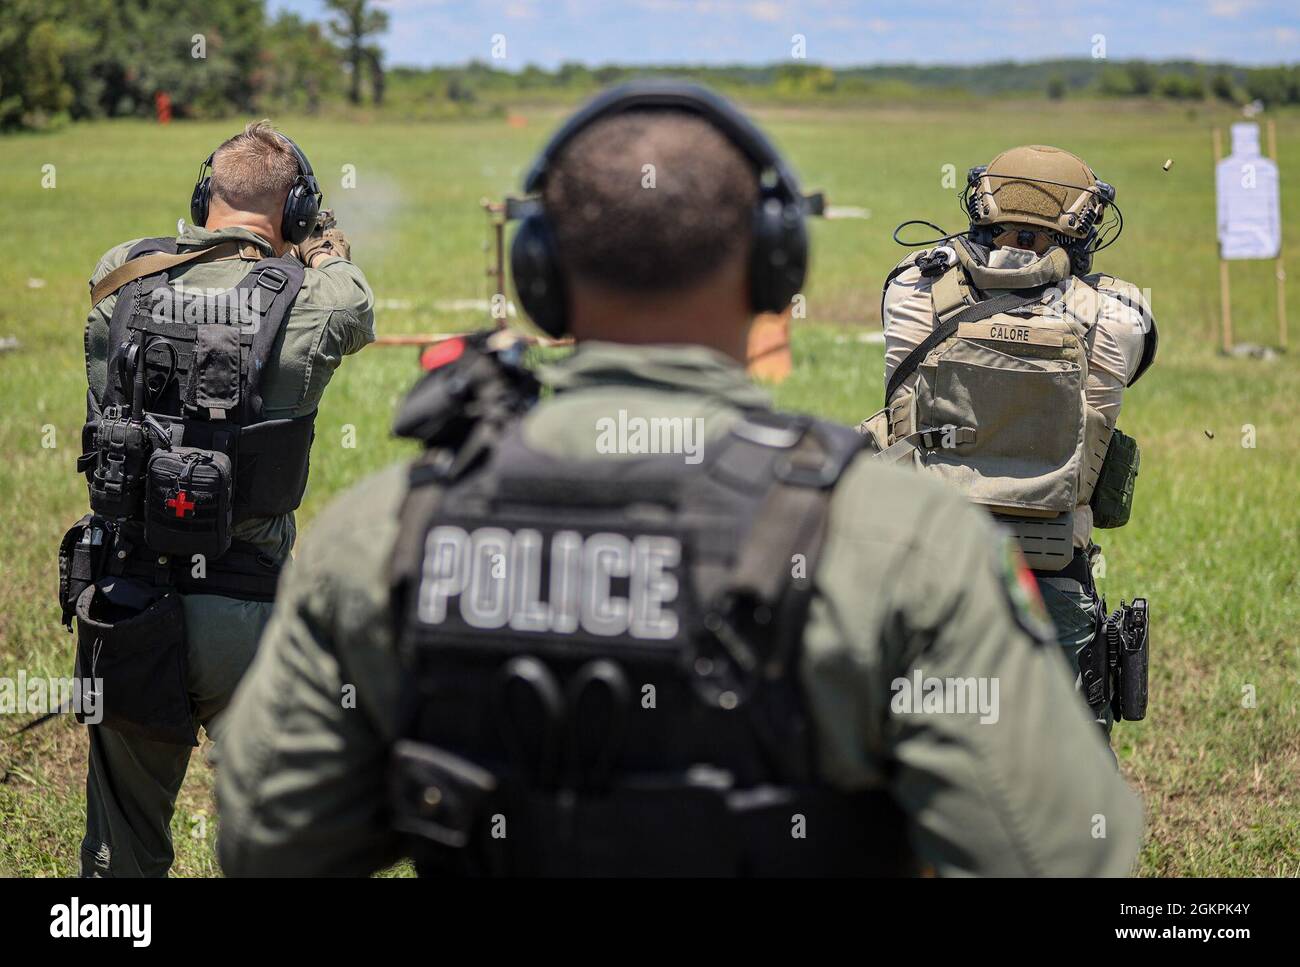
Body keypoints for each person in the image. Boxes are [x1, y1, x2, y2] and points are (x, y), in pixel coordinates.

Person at [216, 84, 1140, 877]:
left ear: (538, 273)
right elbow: (1065, 853)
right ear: (779, 269)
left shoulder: (385, 531)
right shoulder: (903, 541)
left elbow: (265, 839)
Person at [61, 120, 374, 876]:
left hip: (125, 600)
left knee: (119, 854)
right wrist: (322, 249)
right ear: (295, 212)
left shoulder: (122, 277)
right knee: (280, 844)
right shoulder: (314, 298)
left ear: (205, 196)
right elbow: (354, 305)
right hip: (249, 615)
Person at [862, 145, 1157, 735]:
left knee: (918, 751)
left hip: (925, 563)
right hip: (1051, 569)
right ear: (1082, 223)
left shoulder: (911, 292)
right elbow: (1134, 346)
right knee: (1067, 762)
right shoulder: (1119, 314)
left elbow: (921, 268)